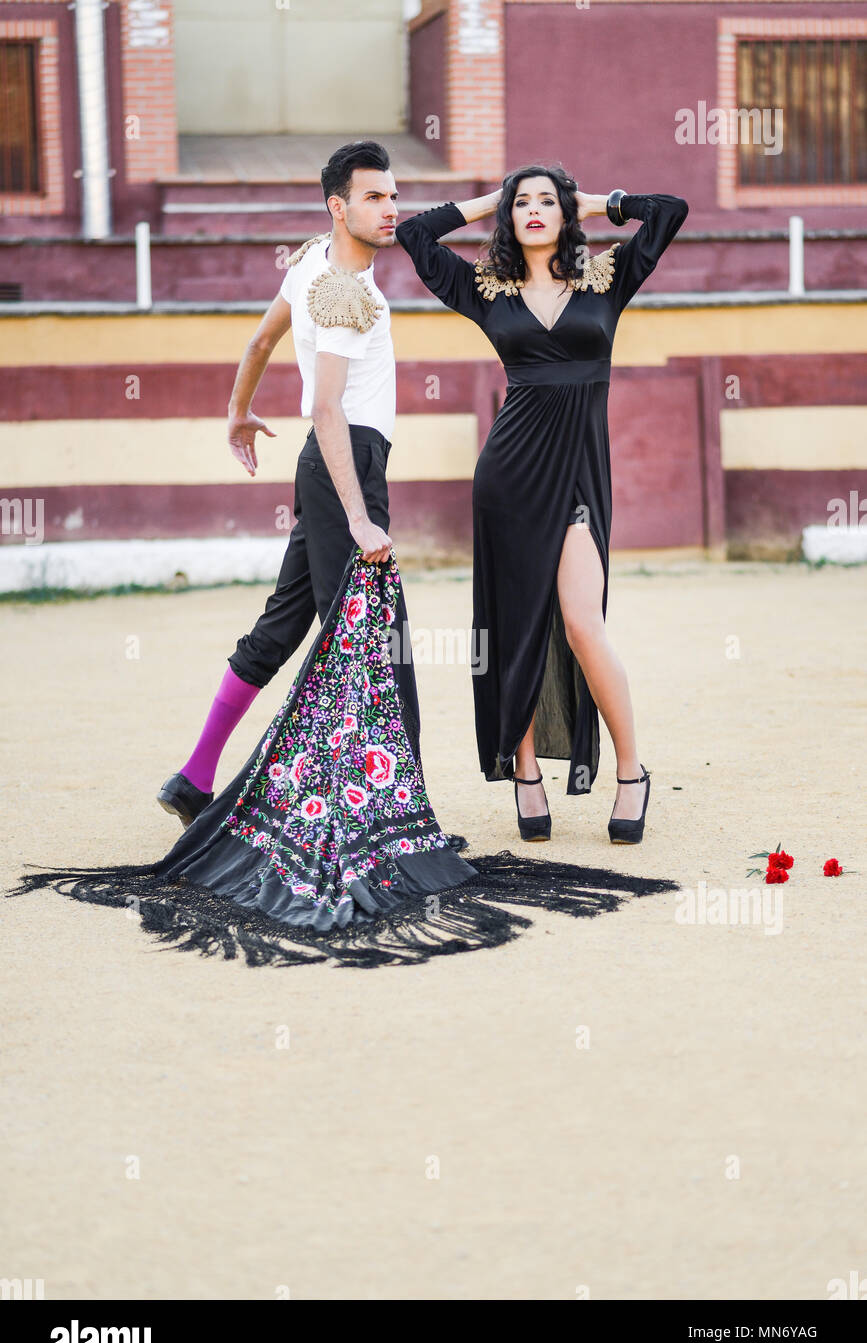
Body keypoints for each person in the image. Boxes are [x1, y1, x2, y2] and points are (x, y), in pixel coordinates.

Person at [394, 169, 688, 845]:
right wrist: (490, 201)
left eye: (546, 201)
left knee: (583, 624)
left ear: (565, 212)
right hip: (510, 476)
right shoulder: (485, 288)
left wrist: (600, 203)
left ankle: (631, 772)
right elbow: (414, 235)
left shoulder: (606, 277)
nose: (533, 210)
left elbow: (669, 209)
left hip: (579, 474)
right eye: (521, 202)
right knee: (517, 626)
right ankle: (524, 773)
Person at [158, 139, 416, 828]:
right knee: (364, 640)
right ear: (338, 206)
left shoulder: (308, 261)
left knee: (283, 627)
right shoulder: (347, 292)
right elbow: (328, 409)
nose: (391, 208)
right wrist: (358, 517)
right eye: (373, 197)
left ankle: (193, 779)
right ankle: (372, 815)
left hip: (323, 466)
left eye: (393, 195)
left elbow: (259, 343)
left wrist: (238, 411)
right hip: (347, 464)